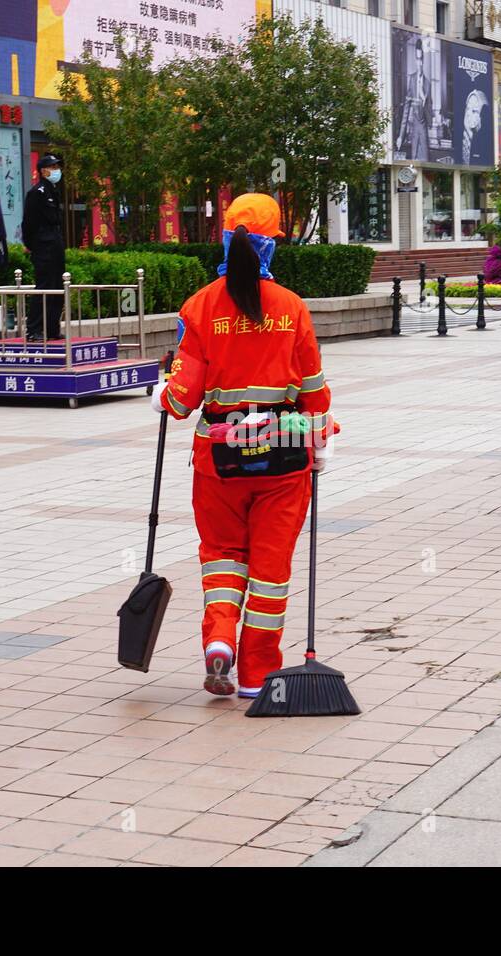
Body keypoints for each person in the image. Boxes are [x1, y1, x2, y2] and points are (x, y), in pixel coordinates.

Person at [151, 193, 336, 699]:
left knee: (223, 557)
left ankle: (219, 642)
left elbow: (183, 398)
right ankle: (257, 675)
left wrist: (160, 395)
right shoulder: (291, 308)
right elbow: (315, 390)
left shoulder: (200, 306)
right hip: (284, 462)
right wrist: (320, 442)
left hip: (219, 464)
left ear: (227, 238)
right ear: (271, 243)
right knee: (271, 572)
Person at [21, 154, 66, 341]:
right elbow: (28, 223)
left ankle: (52, 328)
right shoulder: (36, 193)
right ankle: (34, 329)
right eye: (52, 167)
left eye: (57, 166)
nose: (56, 170)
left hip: (55, 244)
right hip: (43, 247)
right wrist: (32, 246)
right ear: (43, 170)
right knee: (44, 288)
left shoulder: (53, 191)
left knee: (57, 287)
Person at [395, 37, 430, 160]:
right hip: (414, 130)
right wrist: (401, 135)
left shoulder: (427, 83)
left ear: (423, 61)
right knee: (413, 160)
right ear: (415, 60)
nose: (419, 63)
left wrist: (422, 95)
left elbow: (428, 113)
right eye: (417, 59)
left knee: (426, 161)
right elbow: (406, 110)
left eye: (421, 59)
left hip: (424, 129)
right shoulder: (412, 79)